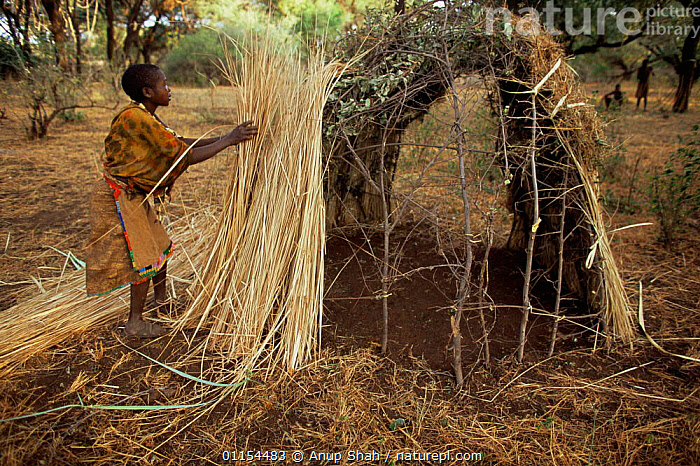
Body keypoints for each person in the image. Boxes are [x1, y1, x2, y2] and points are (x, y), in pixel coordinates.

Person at [86, 64, 257, 337]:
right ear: (147, 91)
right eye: (164, 84)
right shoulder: (135, 118)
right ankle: (135, 323)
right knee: (143, 256)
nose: (170, 89)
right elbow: (183, 156)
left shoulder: (147, 117)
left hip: (134, 195)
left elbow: (180, 144)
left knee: (160, 247)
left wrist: (229, 138)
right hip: (118, 196)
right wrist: (228, 140)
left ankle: (162, 301)